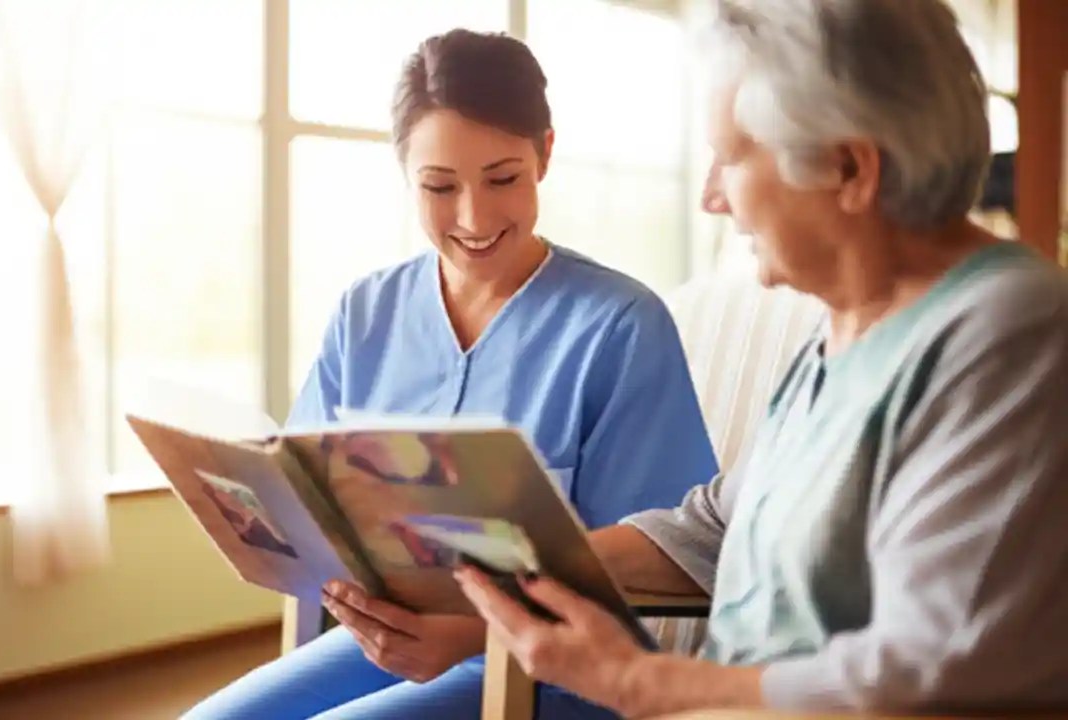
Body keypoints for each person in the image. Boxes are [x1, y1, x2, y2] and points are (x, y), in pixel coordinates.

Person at [457, 0, 1068, 716]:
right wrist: (508, 568)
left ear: (848, 169)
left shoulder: (1009, 329)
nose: (713, 197)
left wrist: (634, 681)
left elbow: (935, 673)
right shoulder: (840, 328)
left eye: (733, 157)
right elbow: (715, 527)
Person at [181, 28, 718, 720]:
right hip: (382, 642)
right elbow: (306, 504)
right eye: (439, 186)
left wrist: (470, 632)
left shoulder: (620, 326)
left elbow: (655, 563)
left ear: (545, 155)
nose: (474, 218)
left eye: (503, 178)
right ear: (405, 173)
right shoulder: (366, 313)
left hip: (556, 671)